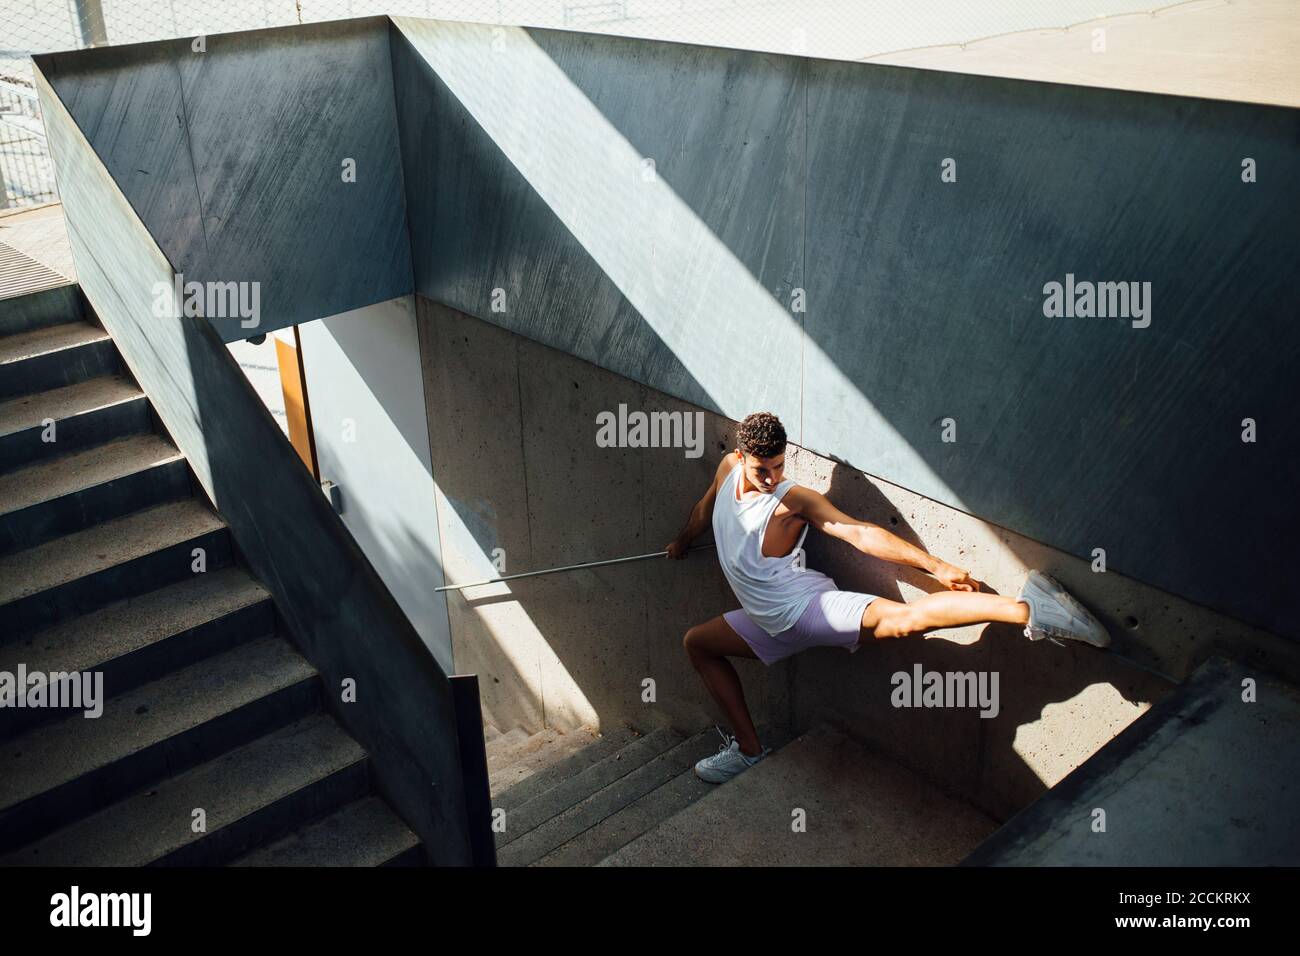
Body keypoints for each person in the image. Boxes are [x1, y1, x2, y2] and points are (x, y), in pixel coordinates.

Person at [666, 411, 1109, 783]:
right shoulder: (727, 470)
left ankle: (1032, 608)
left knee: (904, 621)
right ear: (740, 456)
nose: (772, 477)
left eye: (780, 466)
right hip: (765, 622)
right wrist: (684, 540)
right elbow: (706, 510)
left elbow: (860, 533)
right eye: (762, 469)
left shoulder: (791, 499)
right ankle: (749, 749)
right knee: (697, 644)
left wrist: (936, 567)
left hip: (804, 609)